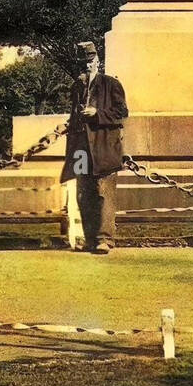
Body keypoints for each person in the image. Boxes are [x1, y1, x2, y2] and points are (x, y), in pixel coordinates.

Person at [60, 41, 128, 254]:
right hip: (81, 149)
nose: (86, 66)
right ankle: (90, 239)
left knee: (103, 193)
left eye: (89, 61)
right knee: (84, 193)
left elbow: (122, 112)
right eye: (83, 63)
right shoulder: (77, 87)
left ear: (98, 61)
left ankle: (104, 239)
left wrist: (97, 114)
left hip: (103, 147)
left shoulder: (111, 84)